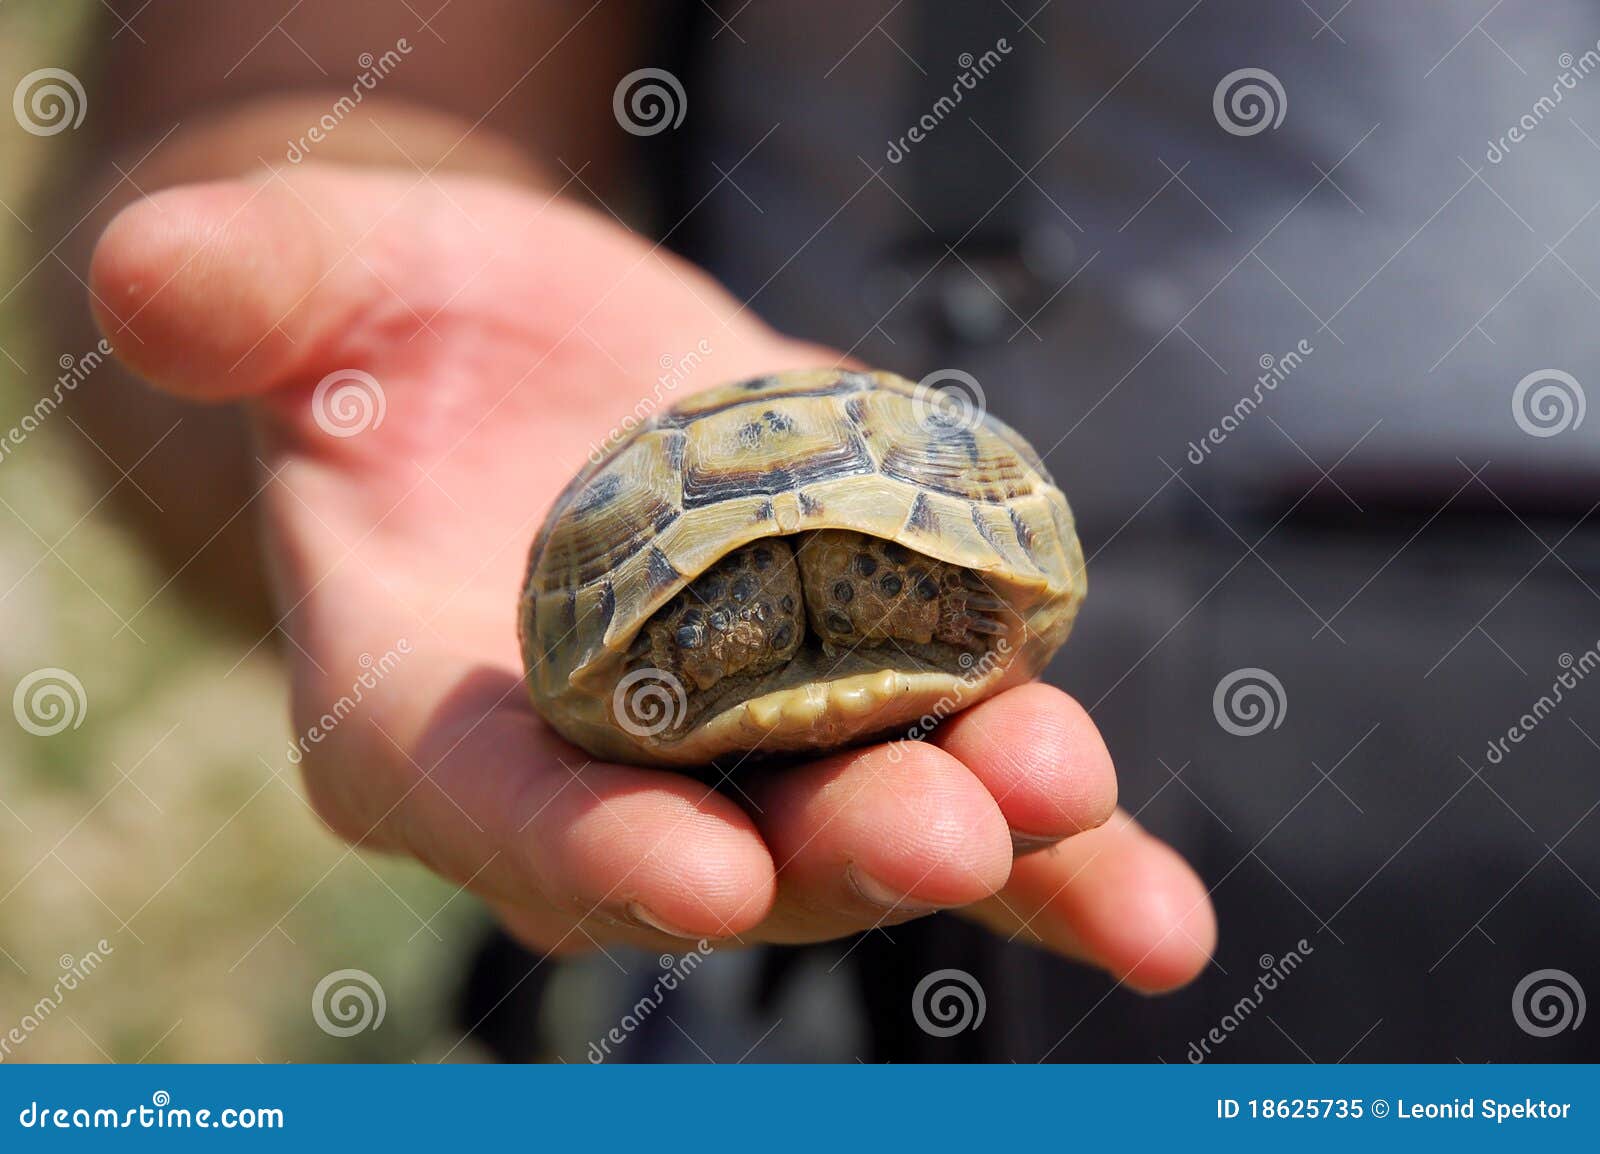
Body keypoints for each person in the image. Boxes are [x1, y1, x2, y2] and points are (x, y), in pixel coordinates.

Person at [49, 1, 1599, 1060]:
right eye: (826, 579)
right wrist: (355, 342)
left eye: (862, 577)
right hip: (898, 976)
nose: (827, 599)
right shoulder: (773, 620)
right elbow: (316, 75)